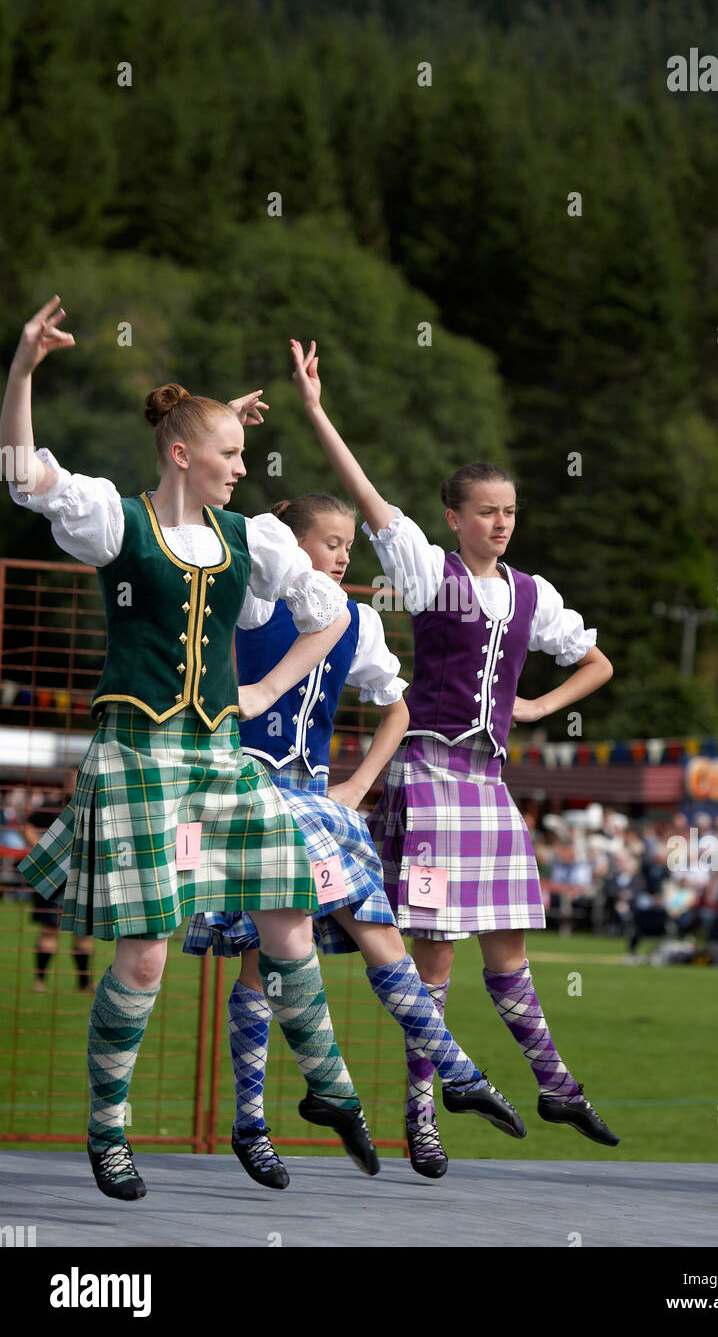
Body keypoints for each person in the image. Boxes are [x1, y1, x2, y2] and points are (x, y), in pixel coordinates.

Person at [1, 297, 389, 1201]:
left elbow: (328, 616)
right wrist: (23, 369)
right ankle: (109, 1132)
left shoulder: (249, 538)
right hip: (138, 754)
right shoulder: (113, 519)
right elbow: (24, 474)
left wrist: (259, 690)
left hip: (220, 756)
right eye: (230, 457)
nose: (244, 470)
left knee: (291, 915)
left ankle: (329, 1092)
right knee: (144, 958)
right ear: (182, 456)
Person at [287, 337, 621, 1173]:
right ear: (454, 517)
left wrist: (538, 703)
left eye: (509, 510)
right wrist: (318, 413)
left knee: (508, 949)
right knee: (432, 959)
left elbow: (597, 660)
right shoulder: (428, 573)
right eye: (486, 510)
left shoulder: (531, 594)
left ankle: (553, 1084)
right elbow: (369, 503)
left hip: (488, 783)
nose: (501, 522)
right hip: (430, 779)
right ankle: (420, 1115)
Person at [182, 493, 524, 1184]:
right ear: (287, 542)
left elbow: (396, 706)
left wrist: (357, 784)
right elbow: (222, 522)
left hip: (312, 801)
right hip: (243, 795)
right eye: (330, 543)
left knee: (286, 953)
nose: (343, 556)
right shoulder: (250, 599)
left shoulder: (359, 622)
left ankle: (256, 1122)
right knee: (332, 935)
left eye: (348, 545)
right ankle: (446, 1075)